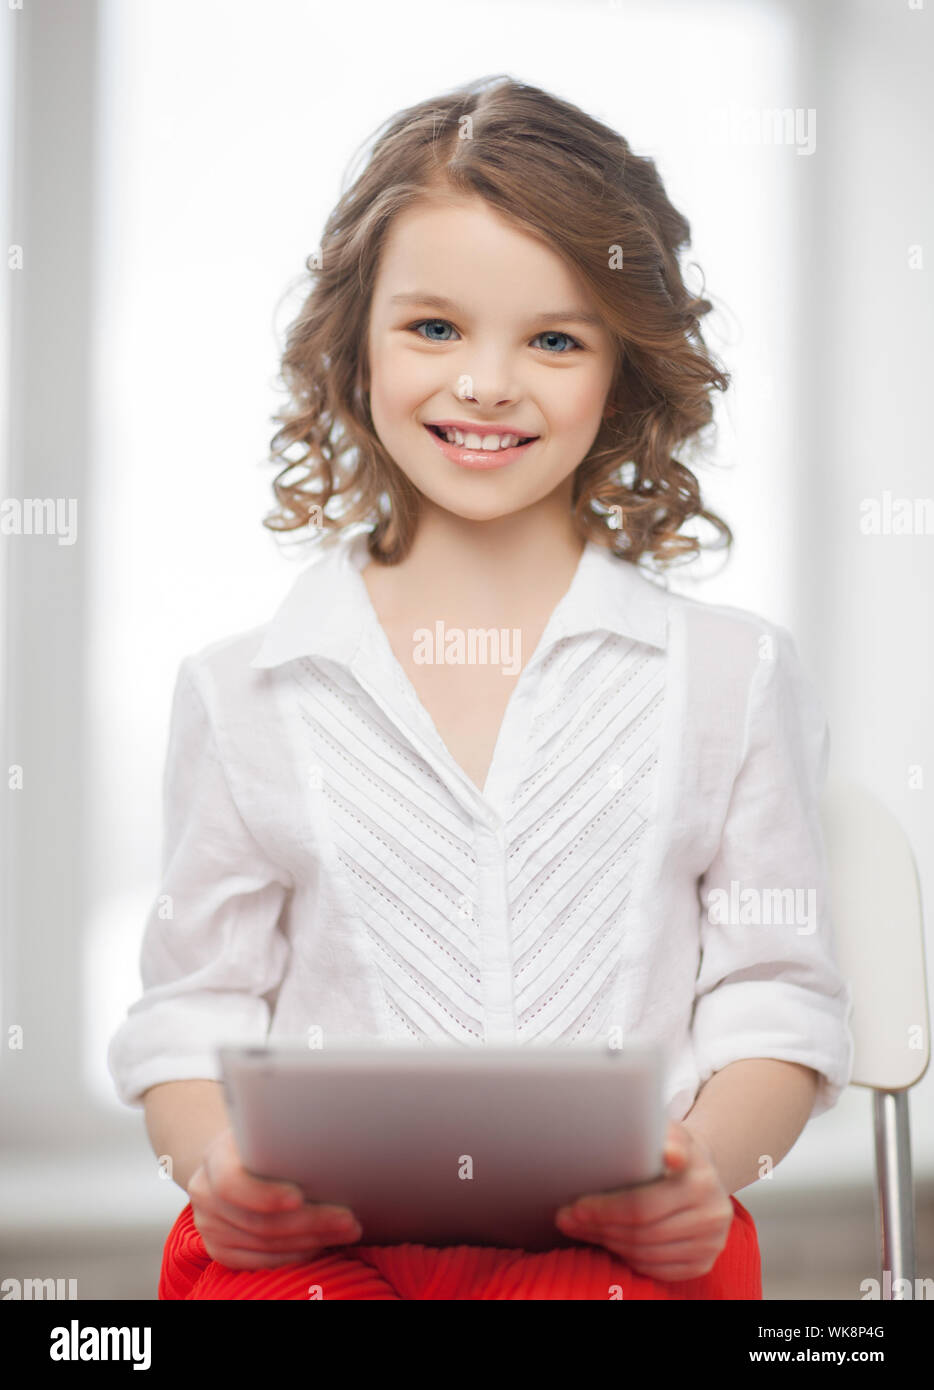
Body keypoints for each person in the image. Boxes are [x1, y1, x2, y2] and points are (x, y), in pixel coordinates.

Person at [108, 75, 853, 1301]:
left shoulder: (730, 676)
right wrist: (217, 1163)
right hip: (316, 1255)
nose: (487, 383)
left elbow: (779, 1000)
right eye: (435, 328)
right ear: (354, 343)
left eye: (553, 338)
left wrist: (703, 1176)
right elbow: (191, 1013)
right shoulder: (241, 691)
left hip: (616, 1256)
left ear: (623, 368)